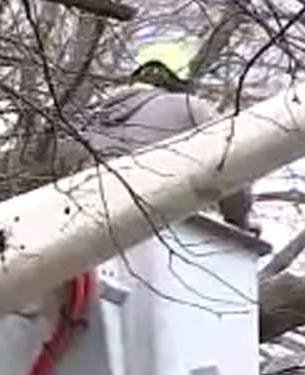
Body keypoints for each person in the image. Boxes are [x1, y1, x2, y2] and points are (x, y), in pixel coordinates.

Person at [55, 39, 259, 235]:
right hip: (167, 230)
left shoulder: (91, 122)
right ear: (178, 79)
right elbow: (230, 161)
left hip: (86, 230)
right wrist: (238, 218)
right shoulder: (189, 108)